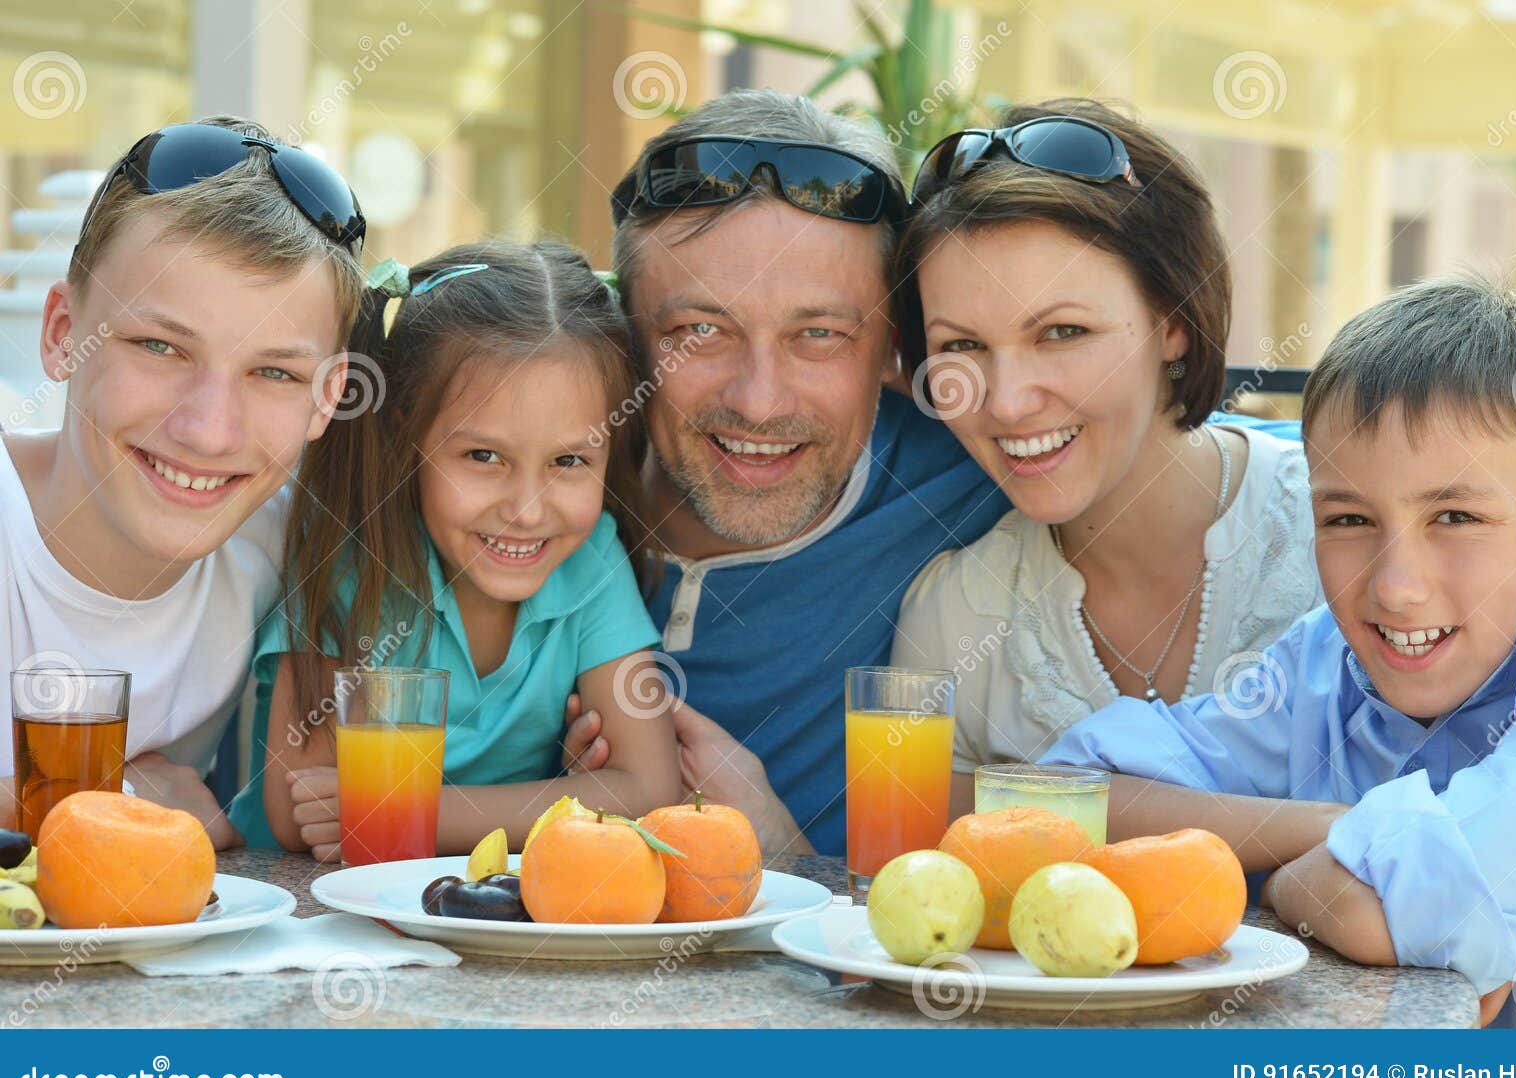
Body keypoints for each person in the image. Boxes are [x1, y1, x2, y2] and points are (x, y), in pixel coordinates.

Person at [1042, 272, 1516, 1026]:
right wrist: (1328, 828)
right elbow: (1065, 796)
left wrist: (1276, 874)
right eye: (1348, 520)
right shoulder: (1322, 669)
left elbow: (1377, 907)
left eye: (1457, 516)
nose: (1395, 587)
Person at [586, 88, 1009, 855]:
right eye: (700, 330)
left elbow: (1214, 460)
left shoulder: (990, 466)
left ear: (893, 349)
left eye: (818, 334)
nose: (758, 400)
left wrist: (787, 862)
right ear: (627, 339)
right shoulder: (526, 491)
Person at [887, 100, 1321, 814]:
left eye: (1062, 331)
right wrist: (1320, 828)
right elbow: (915, 835)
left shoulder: (1343, 531)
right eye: (962, 345)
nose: (1008, 402)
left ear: (1173, 323)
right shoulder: (955, 618)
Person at [227, 242, 678, 860]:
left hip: (494, 913)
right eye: (483, 457)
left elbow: (651, 792)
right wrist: (570, 802)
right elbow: (300, 810)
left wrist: (418, 815)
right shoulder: (356, 564)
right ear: (406, 445)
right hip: (315, 918)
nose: (526, 508)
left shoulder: (590, 560)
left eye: (569, 461)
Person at [0, 117, 365, 847]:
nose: (208, 431)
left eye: (273, 373)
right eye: (160, 345)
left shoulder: (282, 538)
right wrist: (127, 794)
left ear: (327, 397)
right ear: (63, 334)